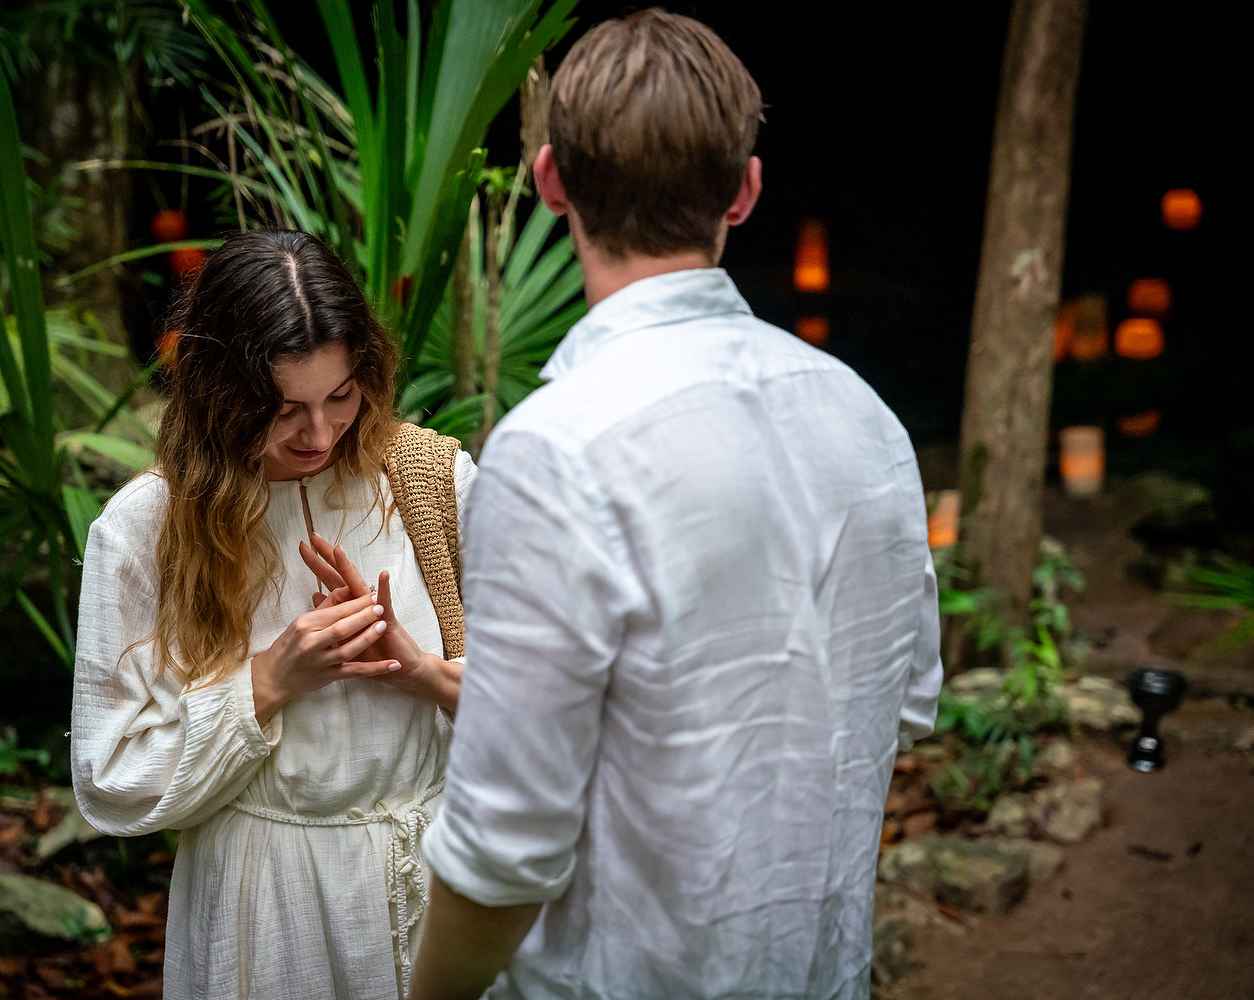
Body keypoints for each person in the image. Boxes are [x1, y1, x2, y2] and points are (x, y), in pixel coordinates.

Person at [411, 10, 943, 1000]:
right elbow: (903, 702)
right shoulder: (868, 421)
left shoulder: (552, 449)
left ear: (549, 180)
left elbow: (503, 853)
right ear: (744, 192)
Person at [70, 228, 475, 1000]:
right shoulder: (144, 528)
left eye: (341, 396)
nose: (319, 435)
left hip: (435, 880)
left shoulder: (431, 483)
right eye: (284, 408)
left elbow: (543, 706)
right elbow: (110, 777)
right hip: (263, 905)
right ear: (219, 390)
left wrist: (421, 672)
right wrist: (268, 682)